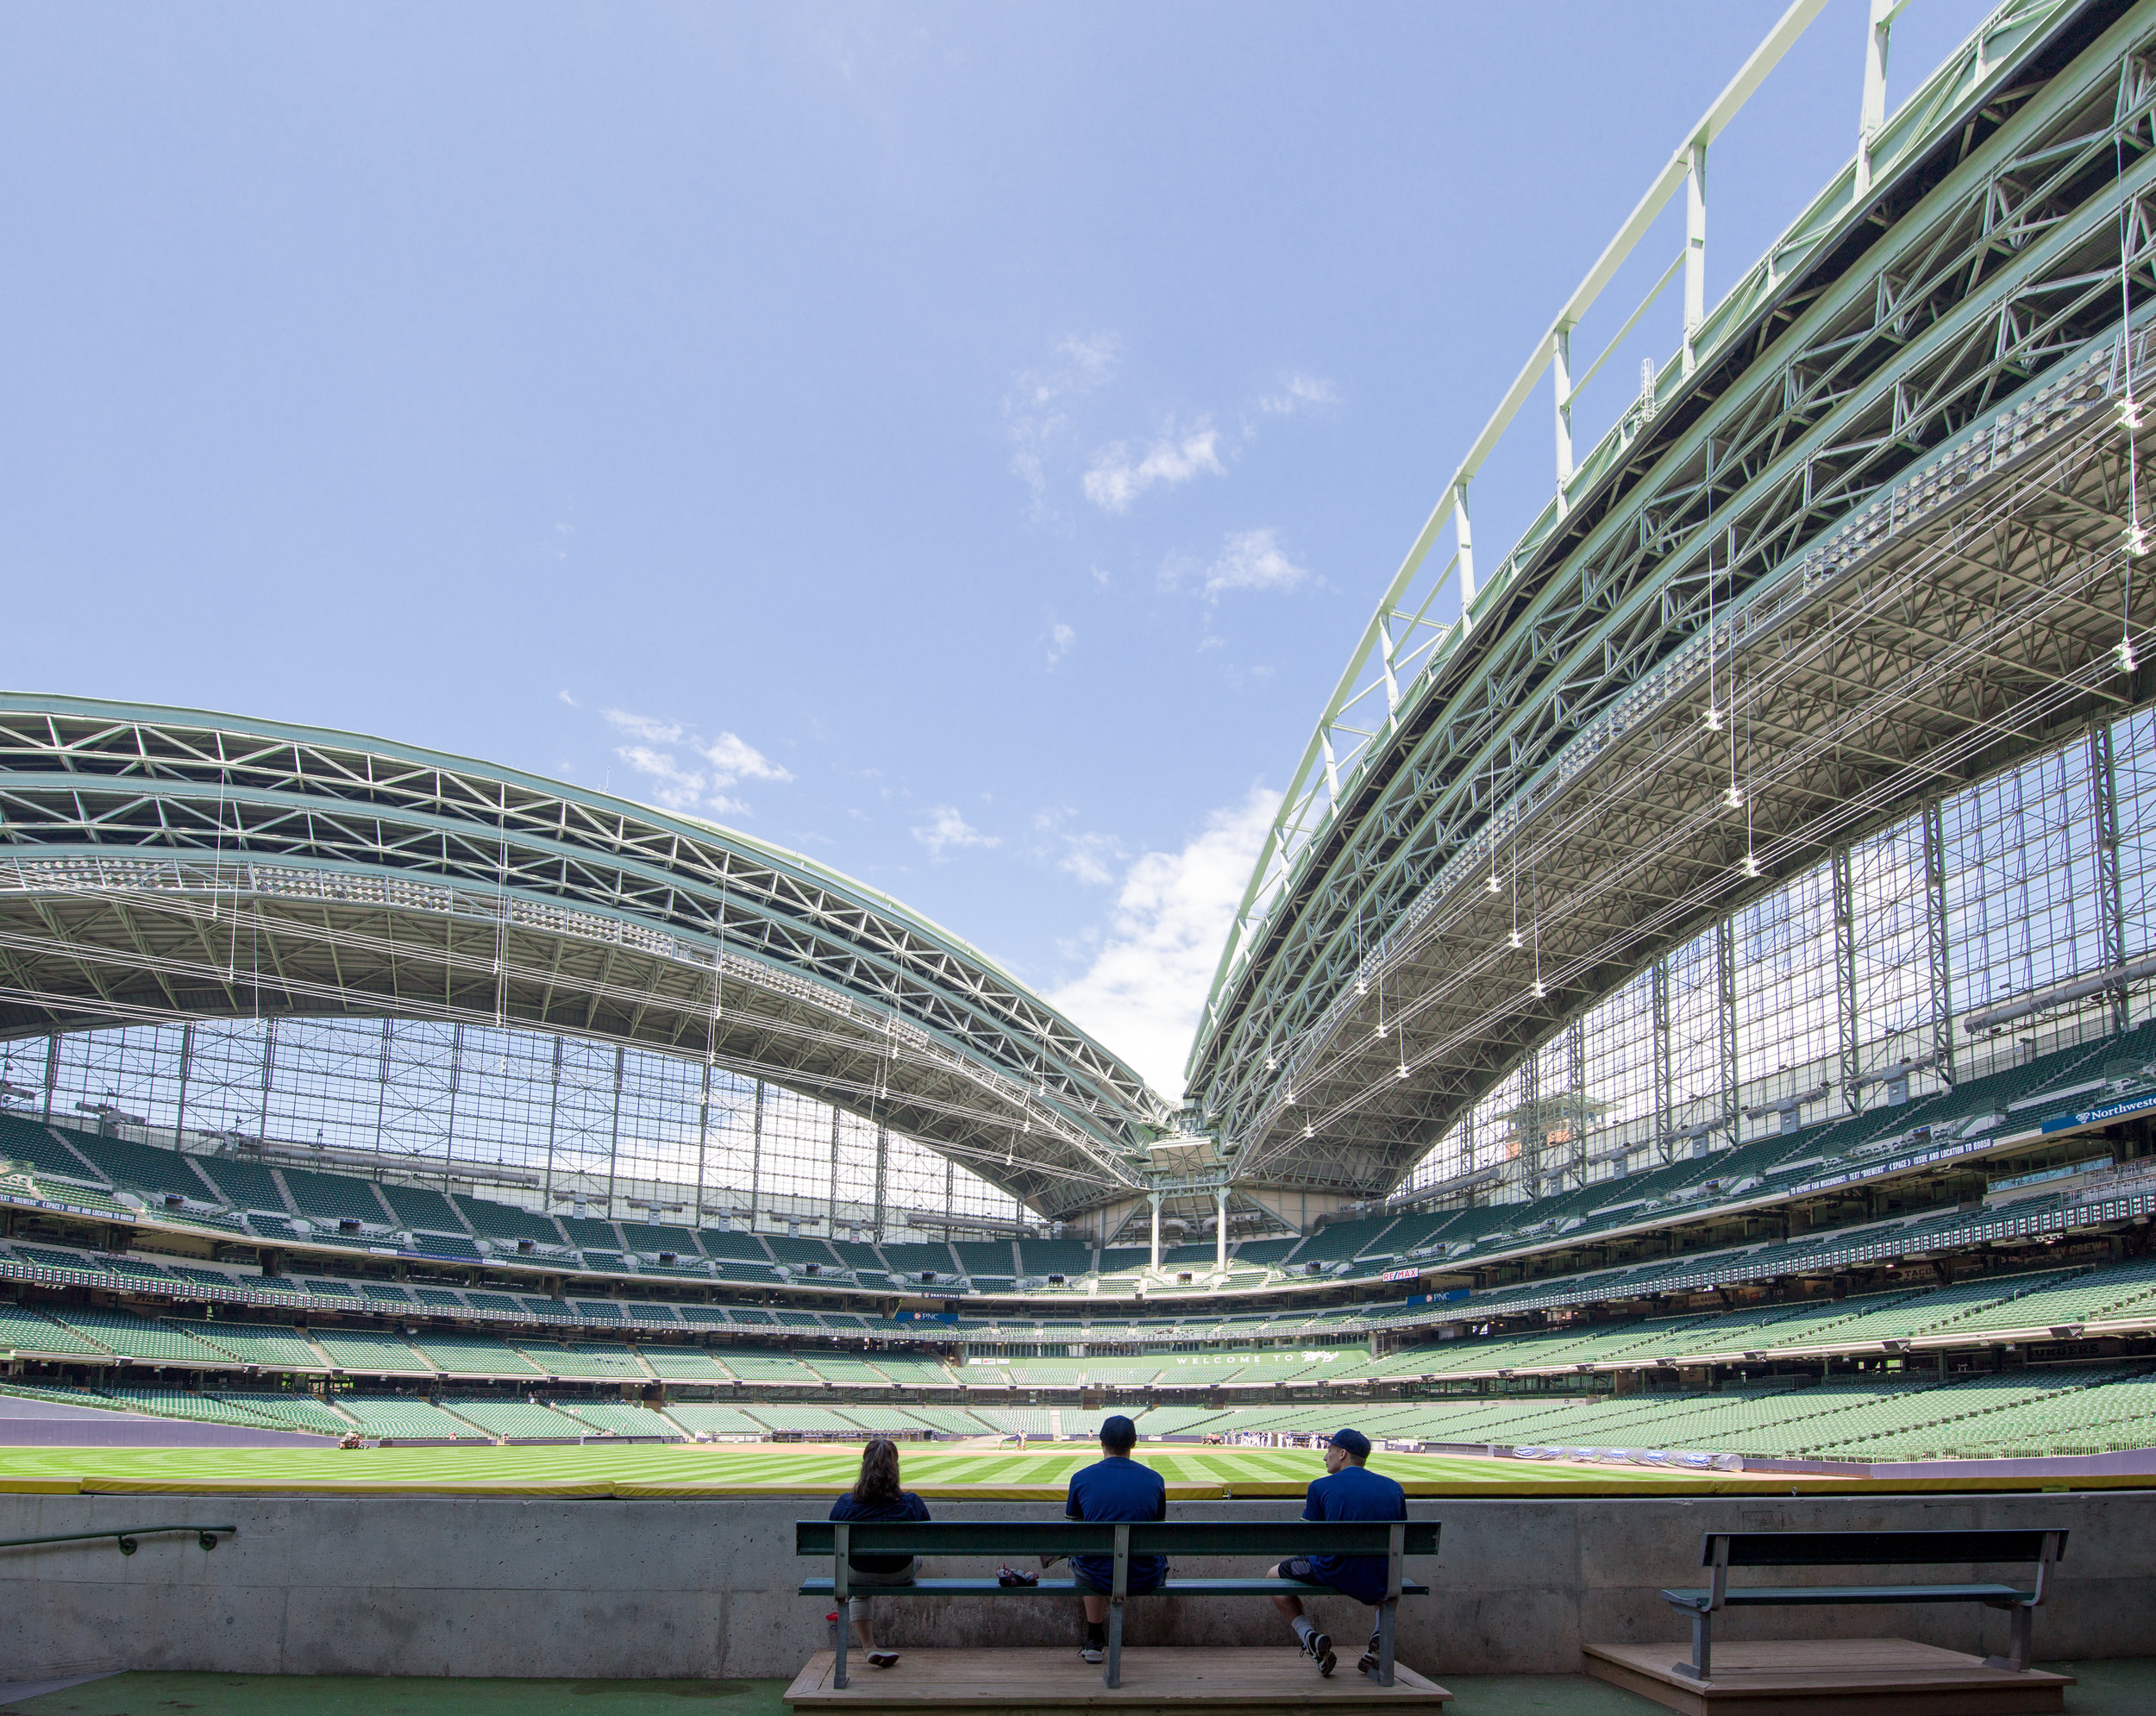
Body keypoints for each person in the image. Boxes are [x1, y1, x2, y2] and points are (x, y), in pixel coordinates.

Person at [1267, 1428, 1407, 1678]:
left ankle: (1309, 1638)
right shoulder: (1394, 1488)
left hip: (1333, 1572)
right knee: (1393, 1578)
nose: (1325, 1457)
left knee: (1272, 1576)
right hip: (1379, 1579)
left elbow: (1308, 1542)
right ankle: (1379, 1633)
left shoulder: (1320, 1487)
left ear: (1343, 1454)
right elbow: (1400, 1542)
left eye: (1329, 1450)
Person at [1059, 1414, 1166, 1664]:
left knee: (1088, 1560)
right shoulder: (1155, 1479)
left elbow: (1072, 1534)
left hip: (1096, 1575)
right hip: (1146, 1576)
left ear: (1101, 1442)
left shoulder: (1081, 1478)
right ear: (1134, 1444)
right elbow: (1158, 1531)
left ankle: (1094, 1639)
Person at [827, 1437, 931, 1669]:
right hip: (900, 1573)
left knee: (859, 1588)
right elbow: (927, 1541)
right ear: (895, 1468)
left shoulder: (845, 1503)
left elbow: (832, 1542)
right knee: (918, 1558)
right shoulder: (912, 1502)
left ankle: (869, 1646)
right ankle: (870, 1647)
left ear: (865, 1466)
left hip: (858, 1574)